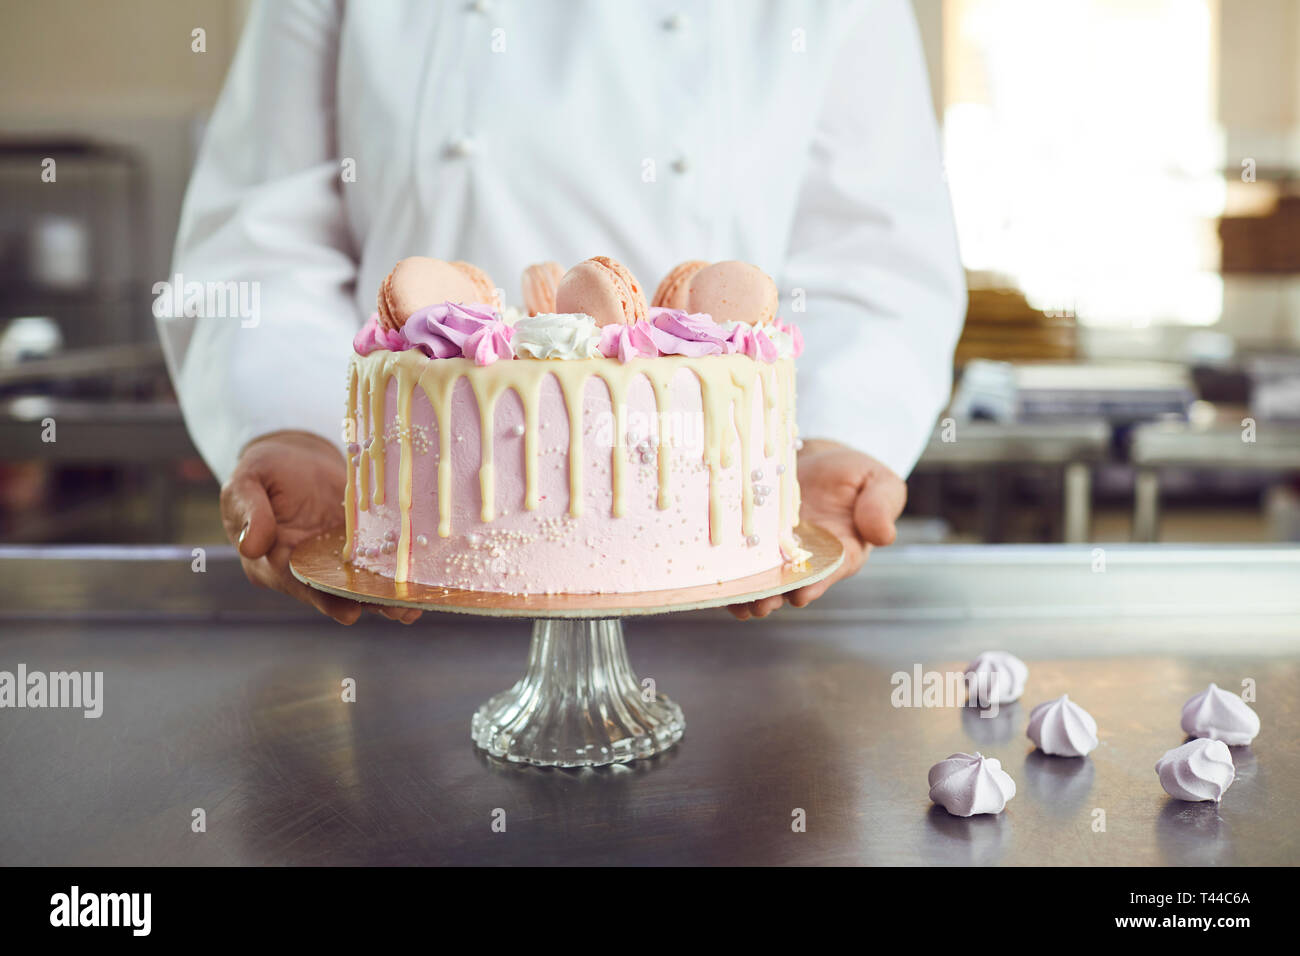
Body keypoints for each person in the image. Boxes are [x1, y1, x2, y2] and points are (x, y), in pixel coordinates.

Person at [159, 0, 965, 625]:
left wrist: (831, 437)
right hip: (413, 575)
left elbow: (876, 247)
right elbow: (261, 238)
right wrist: (294, 427)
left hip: (716, 574)